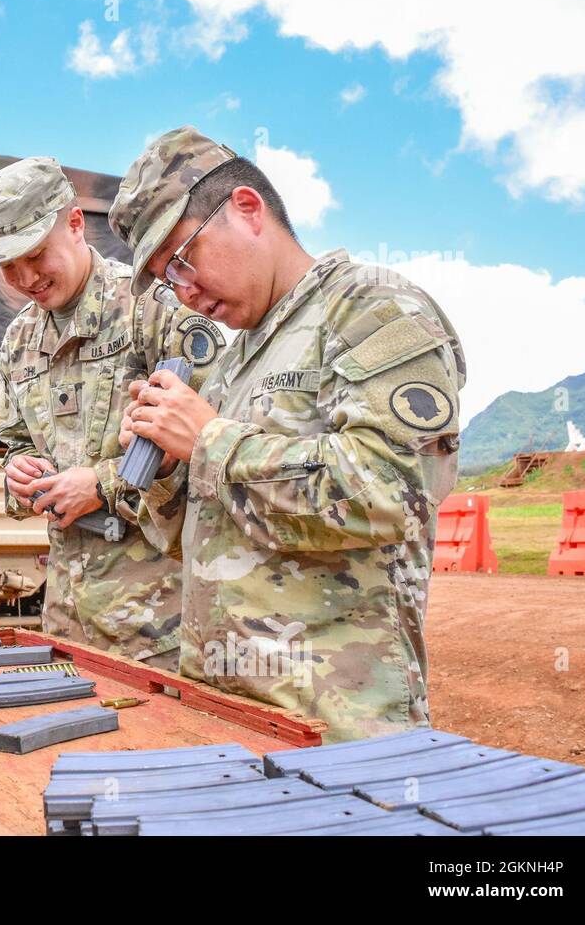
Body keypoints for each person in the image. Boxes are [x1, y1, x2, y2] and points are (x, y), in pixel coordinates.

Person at [110, 127, 466, 742]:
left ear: (247, 210)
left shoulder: (371, 307)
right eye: (170, 279)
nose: (186, 291)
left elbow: (392, 493)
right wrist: (167, 469)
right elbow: (199, 538)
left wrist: (210, 441)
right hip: (223, 709)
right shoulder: (229, 362)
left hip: (336, 723)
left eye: (185, 259)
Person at [0, 156, 224, 668]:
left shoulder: (154, 310)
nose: (24, 278)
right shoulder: (19, 341)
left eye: (35, 255)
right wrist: (19, 476)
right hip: (67, 617)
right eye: (7, 265)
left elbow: (214, 445)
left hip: (160, 625)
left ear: (75, 223)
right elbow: (17, 441)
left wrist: (102, 485)